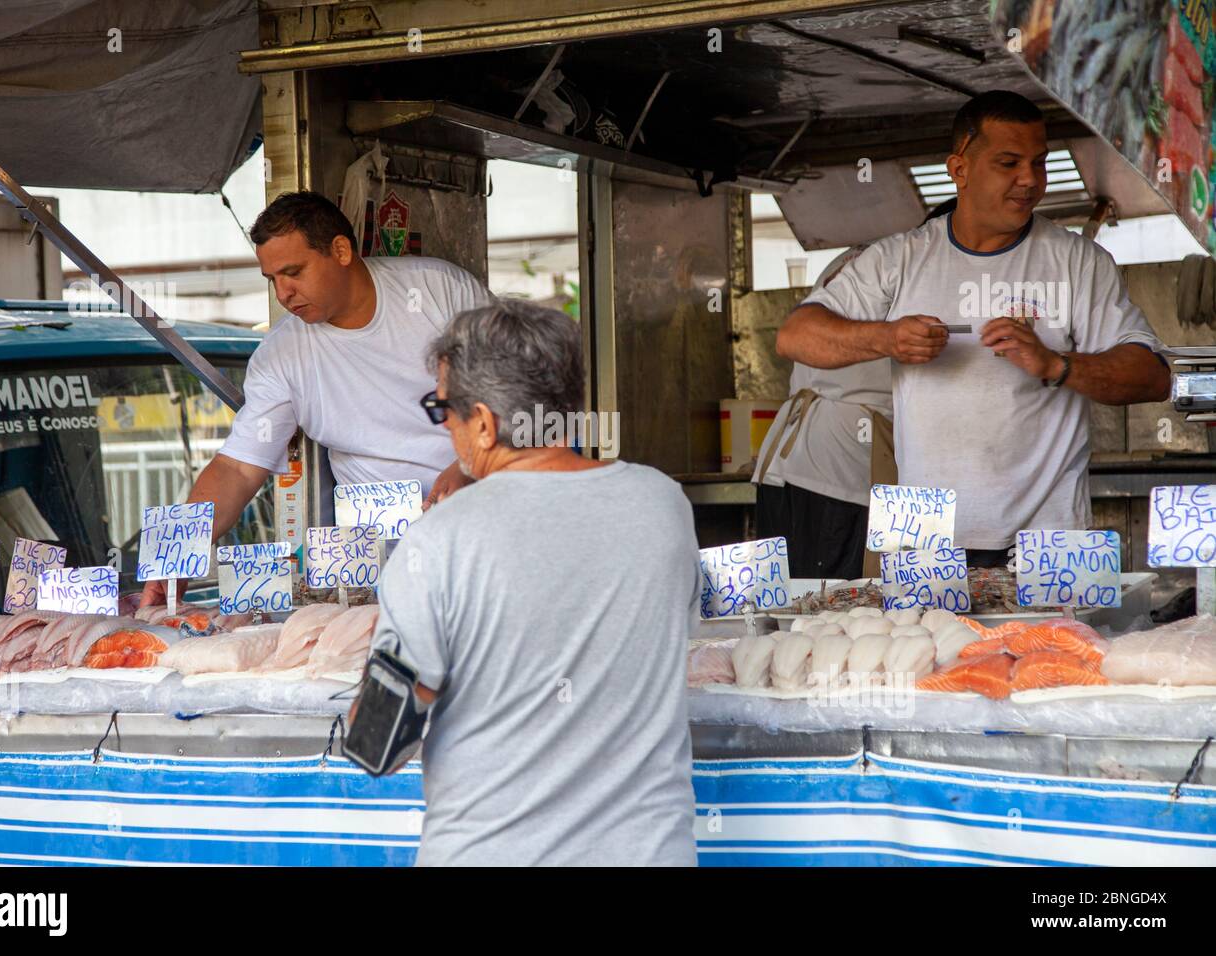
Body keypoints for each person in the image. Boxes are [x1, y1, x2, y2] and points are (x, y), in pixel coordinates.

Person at [356, 299, 700, 866]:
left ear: (485, 424)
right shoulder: (663, 502)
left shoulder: (439, 541)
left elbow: (377, 747)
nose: (446, 429)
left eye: (444, 411)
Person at [774, 90, 1170, 566]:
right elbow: (795, 336)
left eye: (1039, 163)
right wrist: (886, 337)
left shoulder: (1077, 261)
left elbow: (1154, 376)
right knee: (923, 644)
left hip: (1051, 539)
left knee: (1063, 644)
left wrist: (1055, 364)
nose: (1029, 179)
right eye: (1009, 162)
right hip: (923, 536)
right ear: (959, 168)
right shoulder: (899, 259)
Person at [140, 191, 495, 606]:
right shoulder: (281, 355)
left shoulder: (440, 290)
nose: (284, 294)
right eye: (272, 280)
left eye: (294, 272)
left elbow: (515, 397)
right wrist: (179, 552)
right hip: (373, 566)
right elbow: (236, 468)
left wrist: (468, 464)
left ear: (340, 250)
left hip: (480, 530)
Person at [754, 201, 957, 580]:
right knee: (831, 611)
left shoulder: (877, 259)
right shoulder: (894, 267)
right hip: (837, 472)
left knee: (825, 611)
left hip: (809, 463)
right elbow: (794, 337)